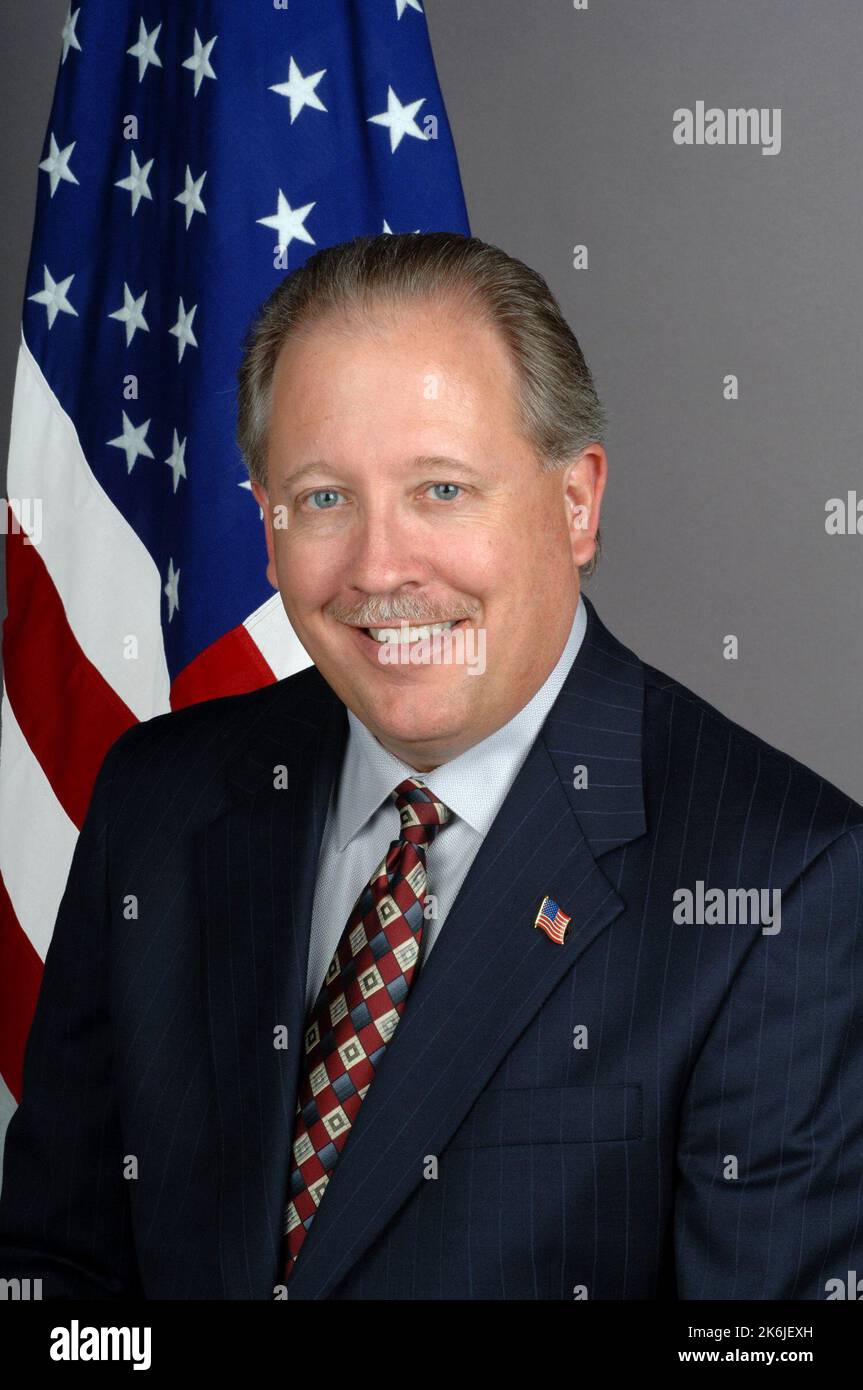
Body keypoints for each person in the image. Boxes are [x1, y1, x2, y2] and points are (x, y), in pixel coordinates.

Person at [1, 231, 861, 1300]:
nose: (379, 566)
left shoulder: (780, 880)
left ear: (575, 501)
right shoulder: (157, 799)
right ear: (265, 530)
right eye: (322, 497)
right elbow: (54, 1276)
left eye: (441, 490)